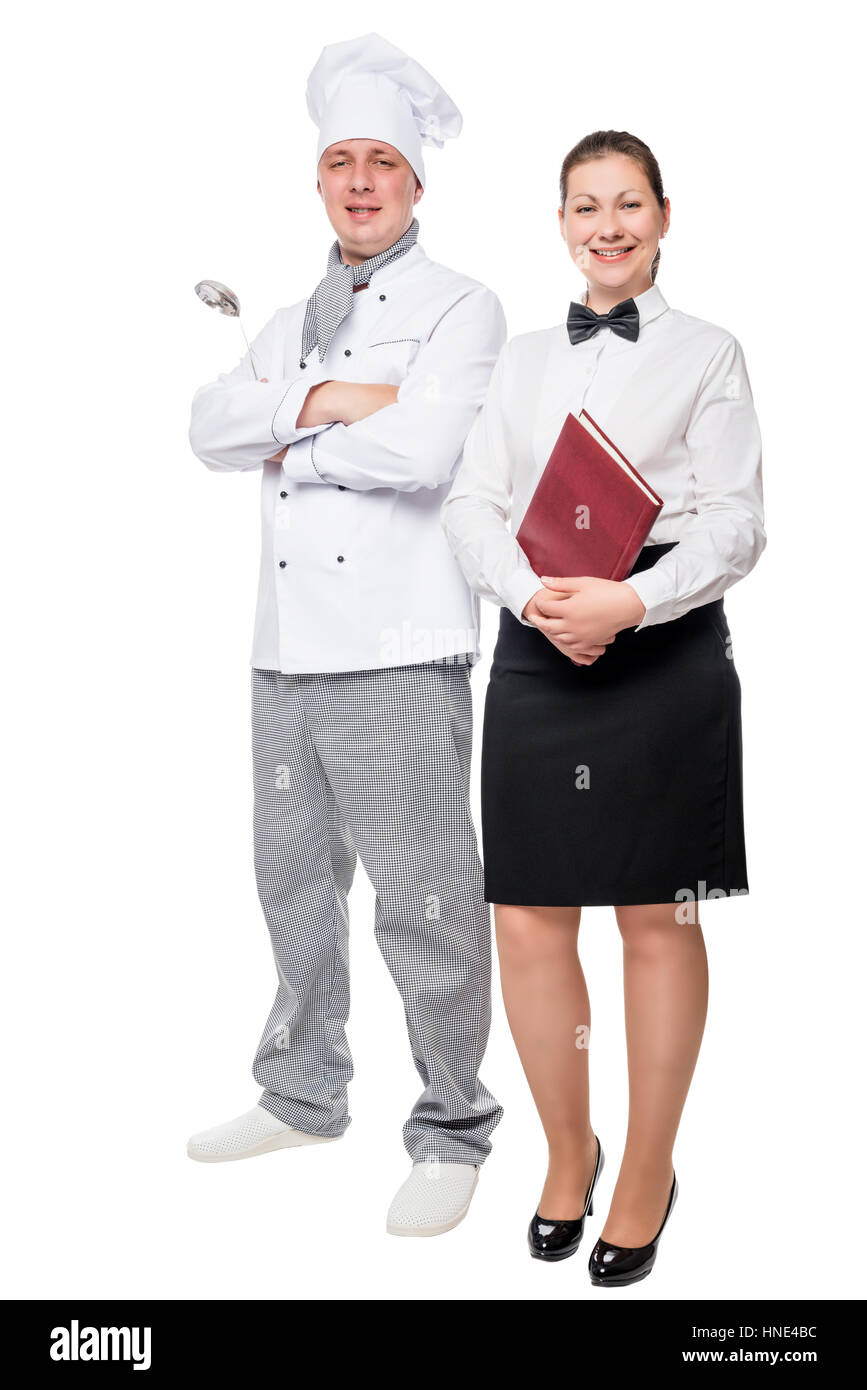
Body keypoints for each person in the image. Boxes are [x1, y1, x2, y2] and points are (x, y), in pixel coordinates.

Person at [187, 32, 506, 1238]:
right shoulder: (286, 319)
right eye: (341, 163)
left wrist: (286, 430)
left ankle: (452, 1122)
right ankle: (303, 1087)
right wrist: (327, 400)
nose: (361, 182)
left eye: (382, 162)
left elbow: (423, 453)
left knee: (426, 899)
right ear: (319, 181)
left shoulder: (463, 306)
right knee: (292, 886)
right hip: (283, 652)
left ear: (416, 183)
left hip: (398, 646)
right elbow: (207, 427)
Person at [441, 129, 765, 1284]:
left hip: (662, 645)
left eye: (630, 204)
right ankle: (569, 1149)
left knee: (655, 916)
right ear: (562, 224)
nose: (609, 225)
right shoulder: (522, 360)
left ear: (664, 218)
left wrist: (628, 601)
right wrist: (536, 598)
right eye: (587, 206)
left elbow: (737, 522)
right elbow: (475, 501)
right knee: (526, 911)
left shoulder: (712, 351)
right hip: (538, 643)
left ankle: (649, 1167)